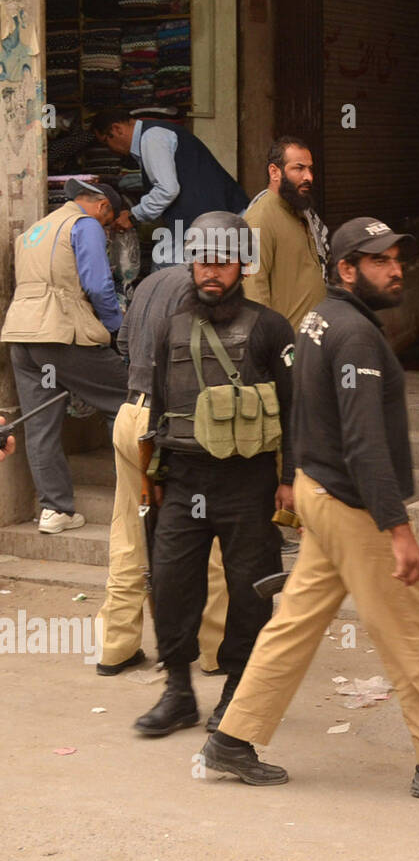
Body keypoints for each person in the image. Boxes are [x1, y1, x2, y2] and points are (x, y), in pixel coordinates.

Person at [197, 217, 419, 806]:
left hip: (320, 490)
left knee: (294, 624)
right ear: (345, 270)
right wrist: (398, 529)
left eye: (396, 260)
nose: (395, 271)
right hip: (351, 505)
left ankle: (232, 738)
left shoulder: (319, 318)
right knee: (413, 634)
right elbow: (365, 444)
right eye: (380, 261)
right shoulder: (357, 338)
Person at [134, 211, 294, 737]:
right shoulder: (171, 325)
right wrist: (152, 472)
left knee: (251, 591)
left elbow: (297, 413)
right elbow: (157, 403)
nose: (211, 271)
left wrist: (290, 479)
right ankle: (177, 691)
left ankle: (236, 692)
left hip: (248, 483)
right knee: (174, 585)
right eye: (203, 259)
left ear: (242, 265)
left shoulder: (270, 327)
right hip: (182, 481)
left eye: (223, 261)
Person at [94, 263, 229, 677]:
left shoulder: (150, 282)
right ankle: (215, 649)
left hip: (131, 413)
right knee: (211, 537)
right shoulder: (208, 290)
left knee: (128, 532)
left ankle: (115, 648)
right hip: (176, 423)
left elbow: (122, 346)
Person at [1, 178, 128, 533]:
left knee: (40, 425)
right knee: (128, 400)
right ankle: (137, 498)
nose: (105, 228)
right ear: (103, 207)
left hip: (22, 338)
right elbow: (98, 284)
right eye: (109, 221)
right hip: (59, 333)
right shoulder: (84, 224)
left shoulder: (33, 231)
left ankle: (55, 509)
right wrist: (118, 326)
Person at [90, 108, 249, 269]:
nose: (110, 149)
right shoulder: (152, 135)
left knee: (168, 272)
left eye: (106, 142)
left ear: (117, 129)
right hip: (206, 218)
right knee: (165, 267)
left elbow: (167, 189)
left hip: (210, 220)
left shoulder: (152, 138)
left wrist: (134, 216)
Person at [242, 137, 328, 329]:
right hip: (288, 347)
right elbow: (254, 293)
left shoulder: (300, 211)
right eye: (299, 168)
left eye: (310, 169)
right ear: (274, 172)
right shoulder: (260, 219)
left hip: (313, 341)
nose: (309, 177)